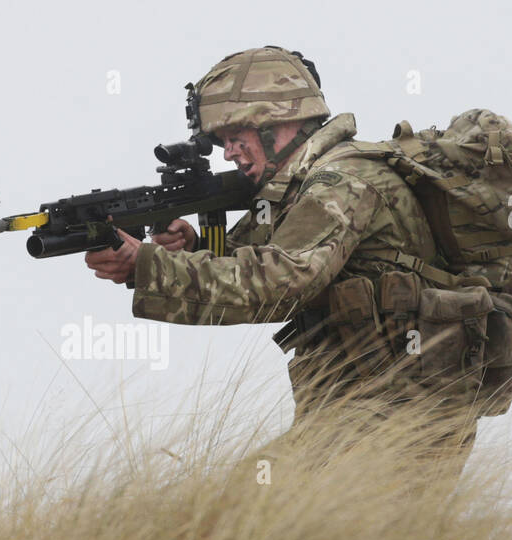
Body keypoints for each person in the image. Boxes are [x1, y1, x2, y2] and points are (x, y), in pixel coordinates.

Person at [85, 46, 482, 478]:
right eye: (222, 141)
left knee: (241, 514)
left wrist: (147, 266)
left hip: (401, 414)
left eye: (238, 135)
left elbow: (277, 283)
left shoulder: (340, 182)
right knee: (248, 519)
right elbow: (246, 262)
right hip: (361, 412)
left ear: (281, 121)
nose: (229, 152)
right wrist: (191, 247)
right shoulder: (296, 189)